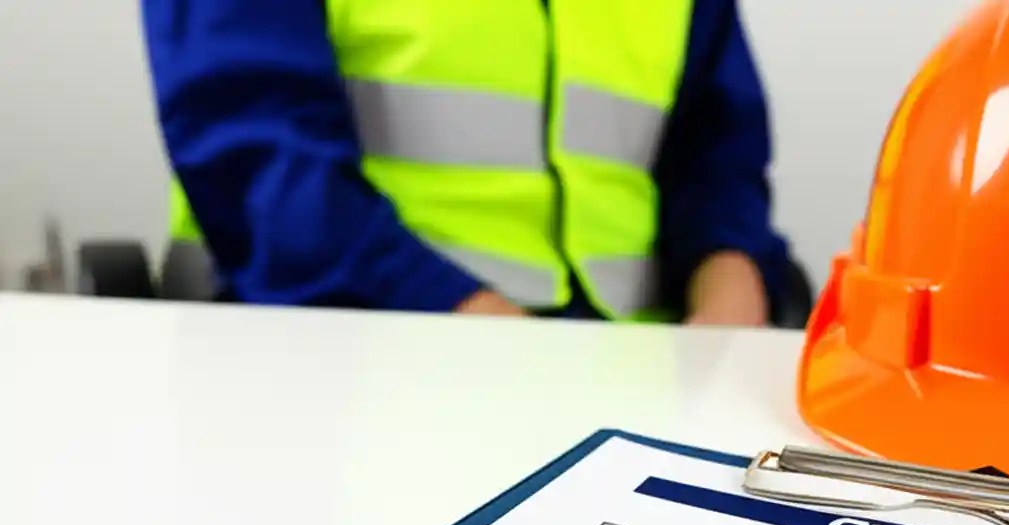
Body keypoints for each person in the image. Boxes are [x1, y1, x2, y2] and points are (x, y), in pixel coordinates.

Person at [140, 1, 792, 326]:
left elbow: (716, 144)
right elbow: (256, 151)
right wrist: (470, 321)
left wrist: (730, 285)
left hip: (637, 365)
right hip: (355, 344)